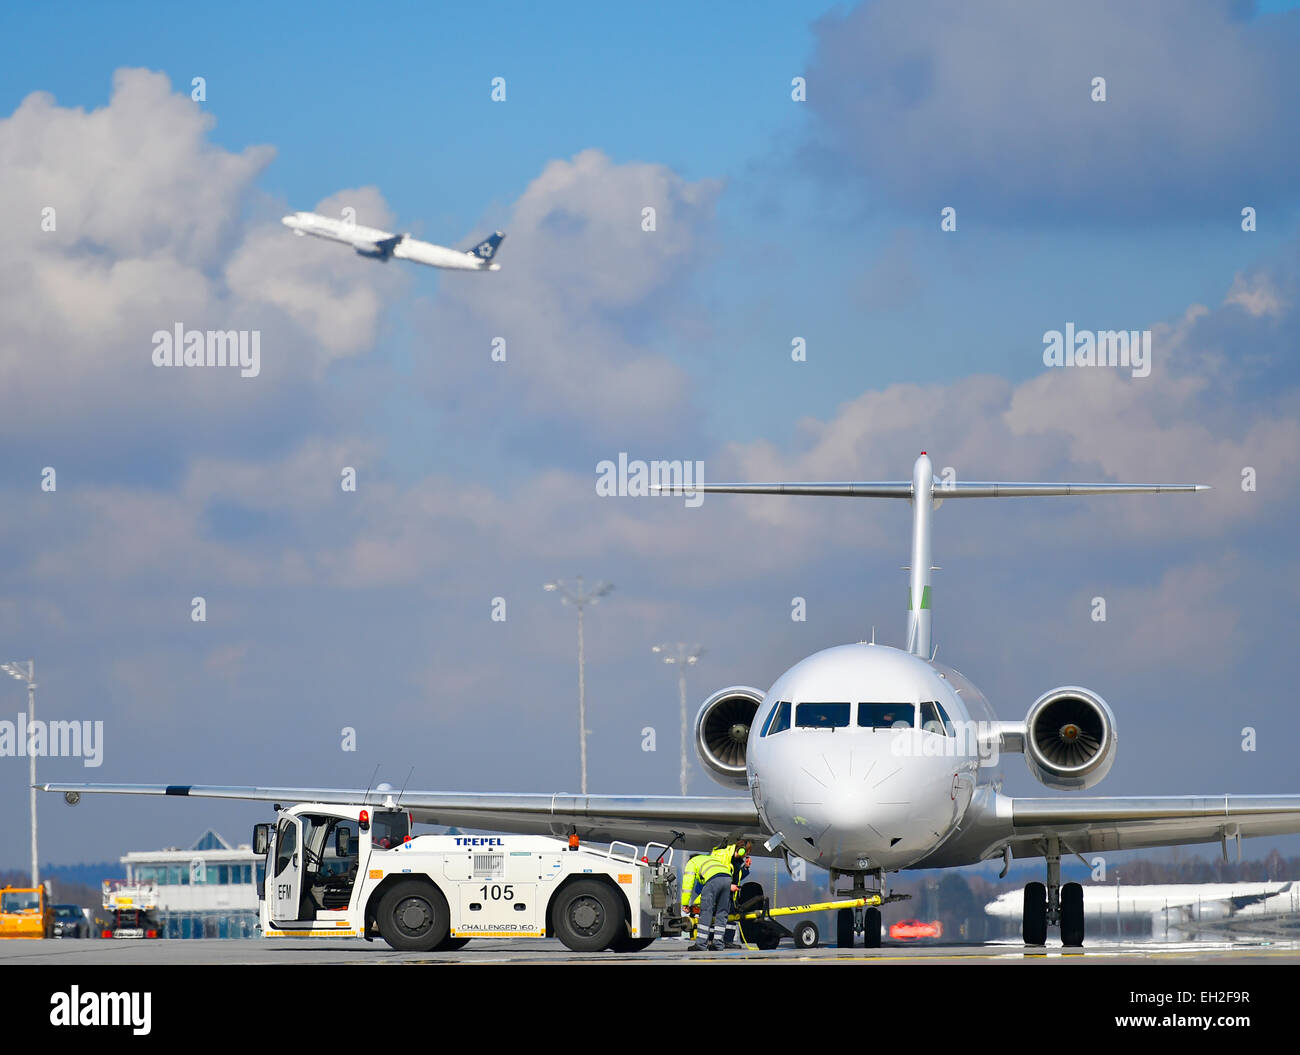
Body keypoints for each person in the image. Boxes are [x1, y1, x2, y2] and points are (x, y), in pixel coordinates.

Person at [680, 839, 750, 951]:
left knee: (706, 912)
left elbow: (687, 886)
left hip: (714, 880)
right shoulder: (710, 859)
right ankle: (718, 944)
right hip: (727, 879)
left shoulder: (692, 863)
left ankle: (701, 945)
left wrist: (685, 904)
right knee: (722, 913)